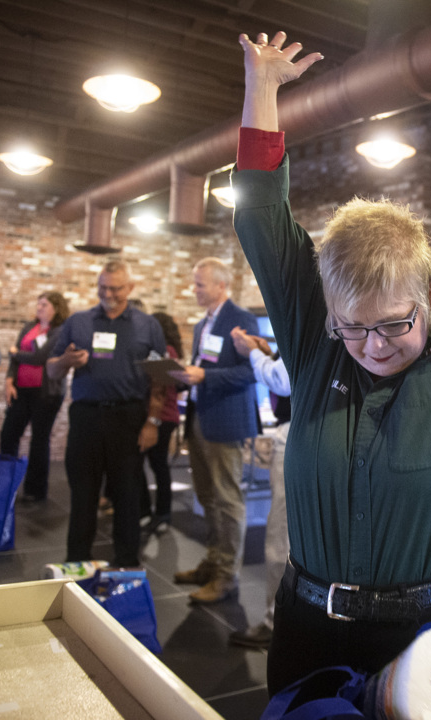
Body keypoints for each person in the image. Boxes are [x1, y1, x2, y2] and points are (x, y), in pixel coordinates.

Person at [231, 25, 431, 692]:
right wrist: (261, 88)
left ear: (430, 298)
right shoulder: (316, 344)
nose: (375, 346)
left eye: (395, 324)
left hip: (428, 637)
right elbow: (261, 217)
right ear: (327, 313)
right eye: (354, 328)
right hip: (307, 628)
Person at [47, 259, 166, 569]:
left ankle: (127, 562)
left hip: (129, 418)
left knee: (127, 494)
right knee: (83, 494)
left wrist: (152, 422)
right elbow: (51, 369)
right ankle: (76, 561)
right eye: (103, 287)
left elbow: (161, 378)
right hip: (86, 417)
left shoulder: (147, 325)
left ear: (130, 288)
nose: (108, 293)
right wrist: (66, 362)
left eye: (115, 288)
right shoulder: (78, 322)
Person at [169, 258, 260, 603]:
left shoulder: (242, 320)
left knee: (226, 499)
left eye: (200, 284)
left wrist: (204, 376)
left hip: (226, 421)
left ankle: (226, 577)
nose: (195, 290)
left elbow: (251, 373)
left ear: (221, 286)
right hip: (199, 417)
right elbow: (202, 367)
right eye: (195, 284)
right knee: (206, 497)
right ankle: (212, 561)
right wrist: (184, 376)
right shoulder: (201, 326)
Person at [228, 325, 291, 649]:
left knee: (281, 537)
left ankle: (274, 623)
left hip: (295, 436)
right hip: (304, 435)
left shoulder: (313, 322)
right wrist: (264, 352)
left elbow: (283, 379)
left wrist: (251, 352)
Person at [0, 291, 70, 502]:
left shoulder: (60, 331)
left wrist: (15, 353)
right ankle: (4, 483)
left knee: (39, 440)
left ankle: (35, 491)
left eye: (44, 305)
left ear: (56, 309)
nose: (39, 308)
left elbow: (41, 357)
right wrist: (9, 380)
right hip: (21, 390)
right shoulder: (29, 327)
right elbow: (16, 362)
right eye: (38, 304)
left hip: (46, 393)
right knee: (8, 434)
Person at [140, 311, 184, 531]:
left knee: (158, 465)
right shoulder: (156, 349)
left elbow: (162, 385)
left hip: (163, 415)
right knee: (147, 465)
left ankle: (163, 514)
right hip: (154, 413)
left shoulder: (166, 351)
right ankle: (146, 511)